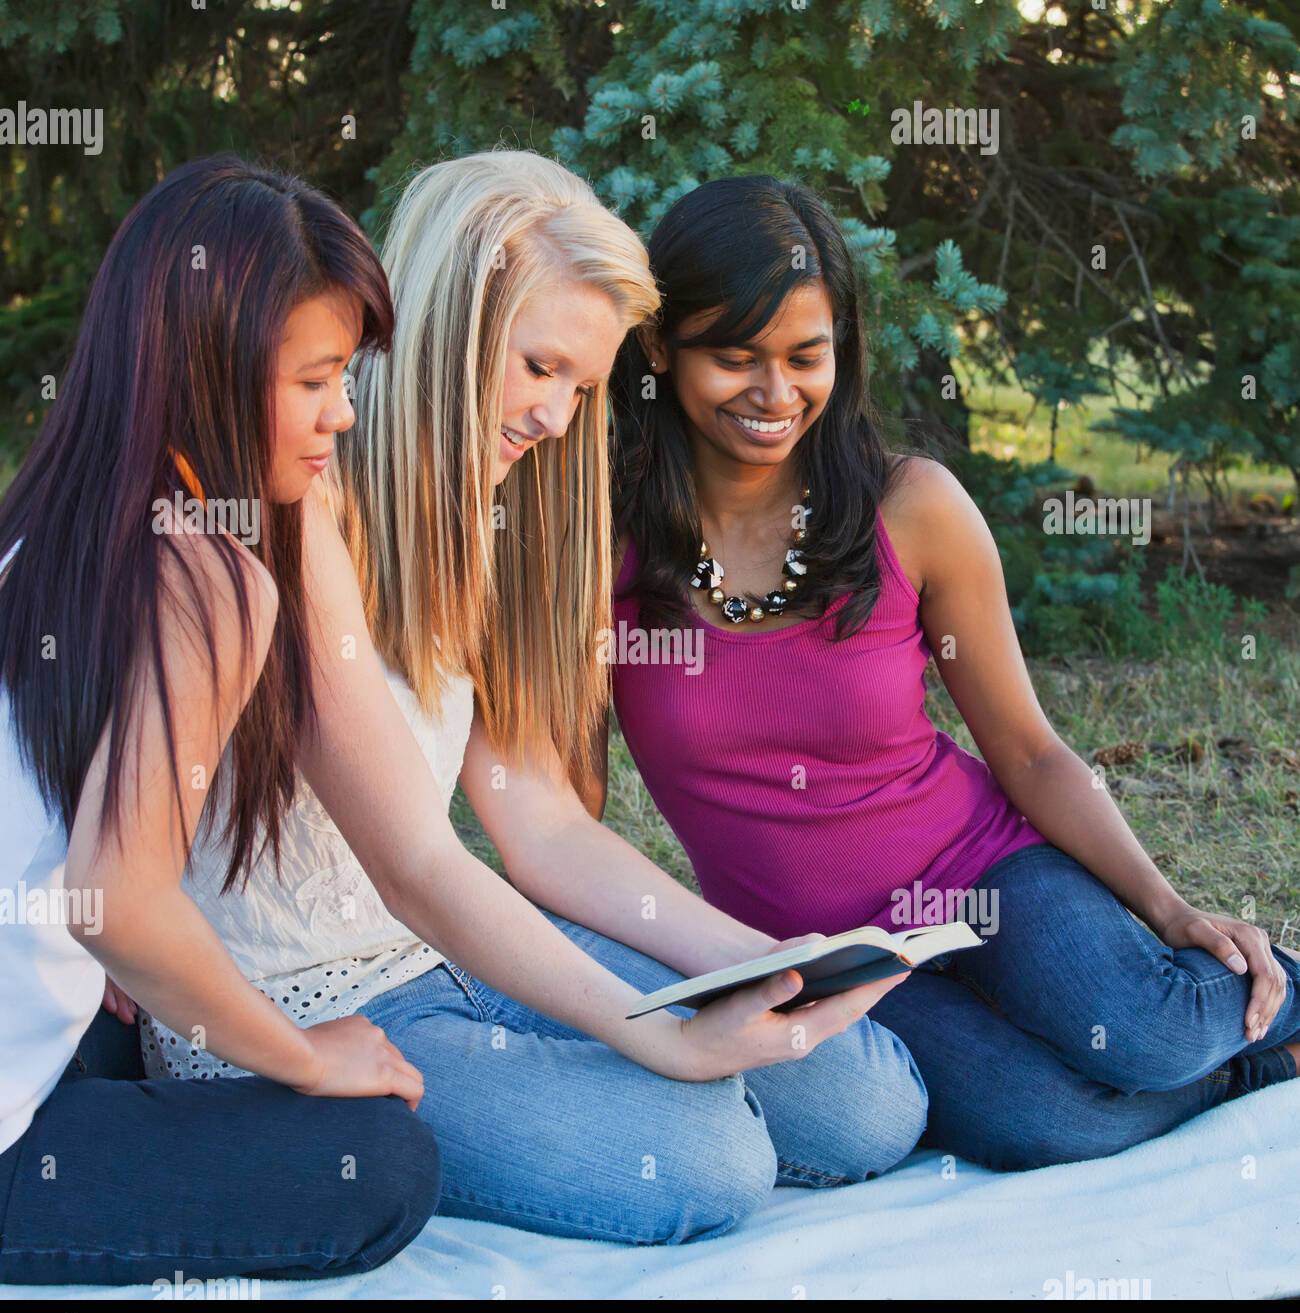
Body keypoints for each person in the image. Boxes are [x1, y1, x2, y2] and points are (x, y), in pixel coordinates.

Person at [120, 150, 929, 1246]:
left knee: (867, 1097)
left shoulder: (492, 512)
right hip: (301, 997)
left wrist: (750, 959)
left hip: (444, 947)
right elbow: (414, 860)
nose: (555, 416)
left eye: (581, 388)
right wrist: (657, 1037)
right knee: (710, 1159)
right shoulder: (296, 497)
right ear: (447, 331)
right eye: (539, 366)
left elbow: (540, 825)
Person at [601, 173, 1300, 1171]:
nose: (774, 393)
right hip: (818, 957)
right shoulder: (606, 548)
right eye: (734, 356)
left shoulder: (911, 507)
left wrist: (1170, 908)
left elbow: (1028, 749)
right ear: (662, 349)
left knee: (1149, 1033)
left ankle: (1279, 999)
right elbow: (561, 807)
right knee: (1041, 1120)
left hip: (980, 872)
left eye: (805, 356)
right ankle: (1256, 1073)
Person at [0, 155, 443, 1286]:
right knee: (374, 1163)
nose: (343, 413)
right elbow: (118, 899)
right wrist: (303, 1055)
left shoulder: (42, 525)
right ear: (209, 363)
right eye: (317, 379)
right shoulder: (208, 572)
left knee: (126, 1023)